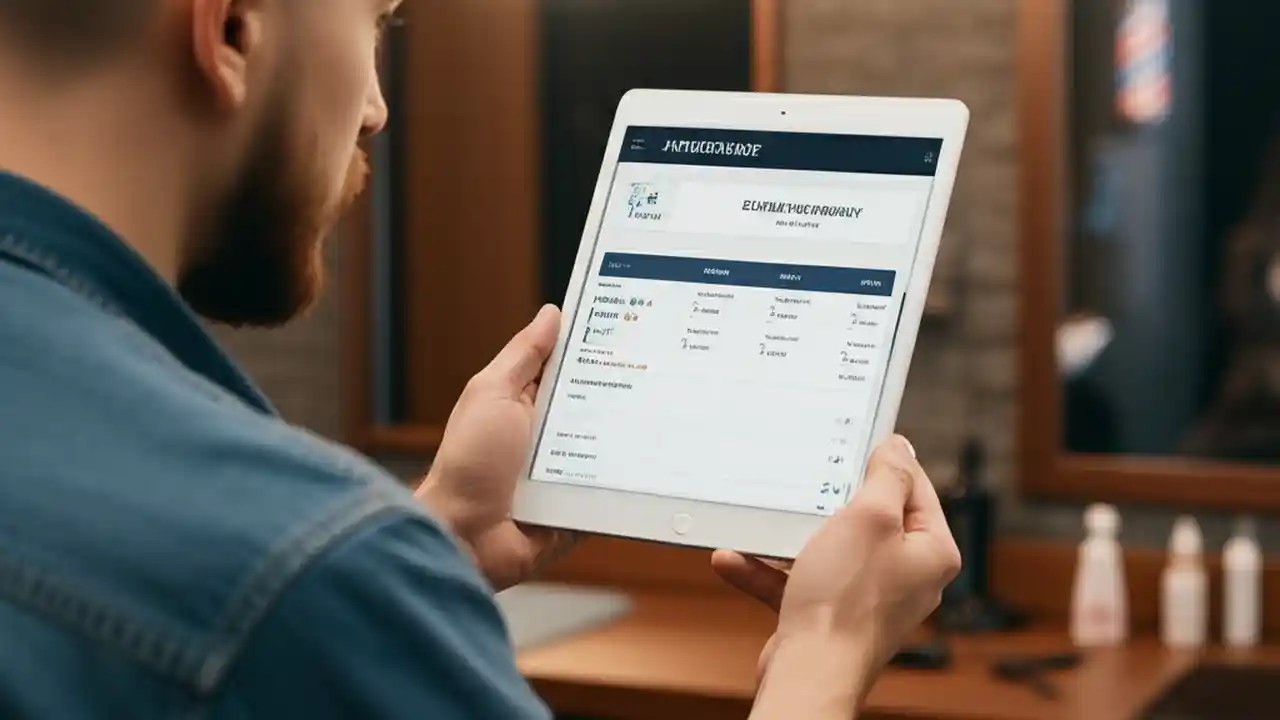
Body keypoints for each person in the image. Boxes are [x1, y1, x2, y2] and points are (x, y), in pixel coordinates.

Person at [0, 1, 960, 717]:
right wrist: (824, 653)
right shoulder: (289, 574)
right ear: (234, 26)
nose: (375, 108)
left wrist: (439, 540)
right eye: (373, 23)